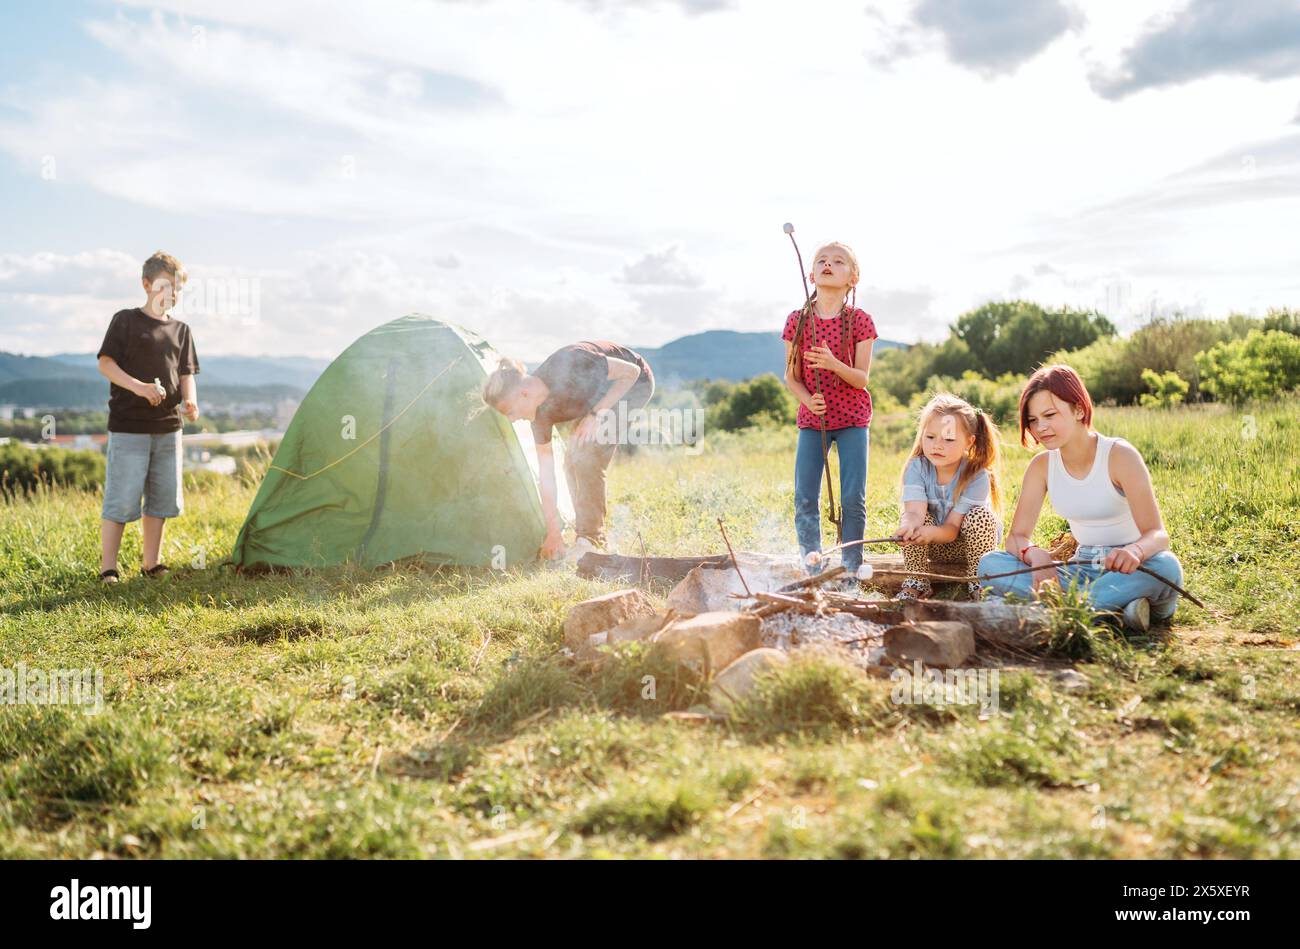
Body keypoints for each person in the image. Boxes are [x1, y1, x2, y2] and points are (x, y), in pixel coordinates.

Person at [978, 364, 1184, 632]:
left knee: (1167, 567)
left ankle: (1074, 609)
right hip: (1082, 568)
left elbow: (1157, 535)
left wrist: (1134, 551)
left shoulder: (1119, 456)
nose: (1041, 427)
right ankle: (1111, 610)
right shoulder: (1041, 467)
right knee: (991, 565)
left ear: (1079, 409)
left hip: (1133, 568)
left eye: (1050, 415)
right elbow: (1016, 538)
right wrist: (1036, 555)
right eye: (1033, 420)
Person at [482, 341, 653, 561]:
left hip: (633, 383)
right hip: (599, 400)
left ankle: (591, 541)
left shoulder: (571, 363)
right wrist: (553, 533)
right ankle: (584, 535)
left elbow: (631, 372)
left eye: (511, 412)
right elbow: (547, 476)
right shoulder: (539, 417)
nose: (514, 420)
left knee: (587, 456)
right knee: (571, 462)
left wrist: (596, 414)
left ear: (524, 393)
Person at [96, 251, 201, 583]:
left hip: (169, 429)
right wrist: (139, 387)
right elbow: (106, 364)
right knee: (122, 497)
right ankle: (108, 568)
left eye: (177, 288)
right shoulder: (125, 321)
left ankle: (150, 564)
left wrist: (190, 401)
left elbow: (186, 373)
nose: (172, 293)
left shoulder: (181, 330)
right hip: (129, 429)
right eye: (165, 286)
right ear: (146, 284)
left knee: (161, 498)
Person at [781, 240, 878, 579]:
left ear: (853, 278)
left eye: (838, 262)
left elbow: (862, 379)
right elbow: (791, 377)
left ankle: (851, 569)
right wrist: (808, 399)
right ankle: (813, 566)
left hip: (852, 420)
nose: (828, 264)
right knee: (805, 496)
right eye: (822, 260)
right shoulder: (798, 321)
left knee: (853, 497)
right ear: (811, 274)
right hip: (814, 420)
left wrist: (834, 364)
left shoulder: (860, 321)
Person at [895, 393, 1003, 601]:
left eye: (949, 439)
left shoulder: (977, 475)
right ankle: (917, 580)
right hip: (933, 545)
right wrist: (908, 526)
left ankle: (979, 583)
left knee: (980, 516)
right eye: (930, 437)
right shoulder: (918, 467)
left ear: (969, 442)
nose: (937, 445)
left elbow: (952, 529)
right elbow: (915, 511)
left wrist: (932, 532)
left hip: (968, 545)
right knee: (915, 519)